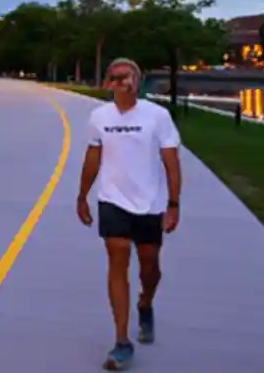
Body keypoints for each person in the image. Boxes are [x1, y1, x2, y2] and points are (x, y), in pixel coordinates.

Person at [75, 58, 182, 371]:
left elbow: (171, 162)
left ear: (139, 81)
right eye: (116, 77)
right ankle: (122, 341)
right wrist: (82, 196)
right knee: (117, 257)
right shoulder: (99, 117)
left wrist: (174, 203)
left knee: (149, 268)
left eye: (128, 76)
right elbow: (92, 159)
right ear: (108, 83)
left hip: (150, 204)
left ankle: (145, 302)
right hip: (112, 201)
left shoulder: (158, 116)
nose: (122, 81)